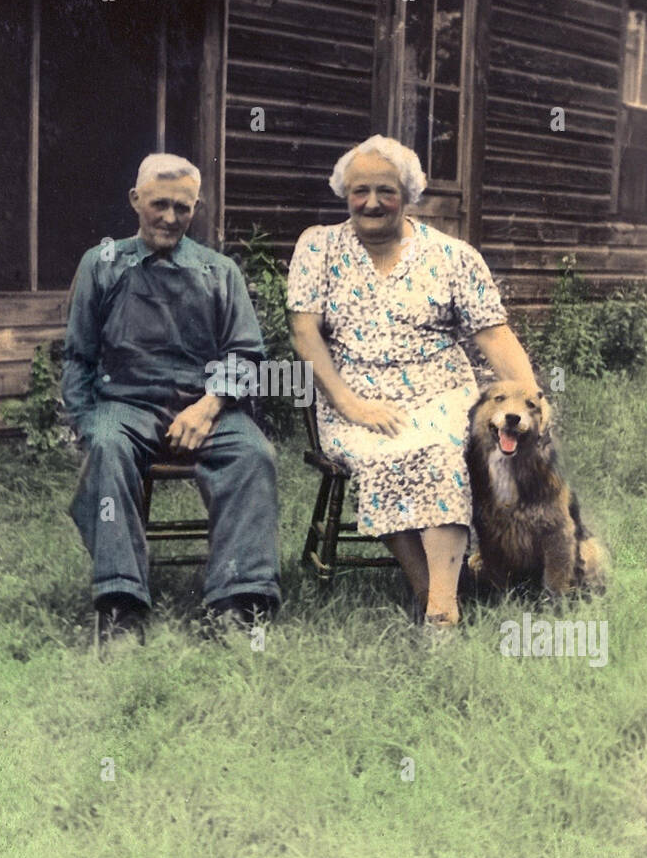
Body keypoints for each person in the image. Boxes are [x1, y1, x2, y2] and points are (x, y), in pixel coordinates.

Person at [287, 134, 539, 627]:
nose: (372, 202)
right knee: (388, 453)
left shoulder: (453, 257)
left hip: (443, 396)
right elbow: (304, 334)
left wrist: (529, 404)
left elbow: (496, 337)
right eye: (360, 191)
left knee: (441, 452)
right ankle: (436, 591)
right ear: (345, 193)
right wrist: (350, 404)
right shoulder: (317, 247)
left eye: (386, 190)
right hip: (355, 400)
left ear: (408, 194)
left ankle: (441, 608)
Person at [62, 153, 281, 648]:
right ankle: (120, 605)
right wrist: (84, 424)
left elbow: (246, 356)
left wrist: (208, 407)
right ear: (135, 201)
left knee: (254, 455)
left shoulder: (219, 271)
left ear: (195, 208)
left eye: (182, 208)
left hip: (206, 405)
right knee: (108, 449)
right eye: (158, 204)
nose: (169, 218)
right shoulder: (102, 264)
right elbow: (78, 356)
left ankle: (238, 602)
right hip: (126, 404)